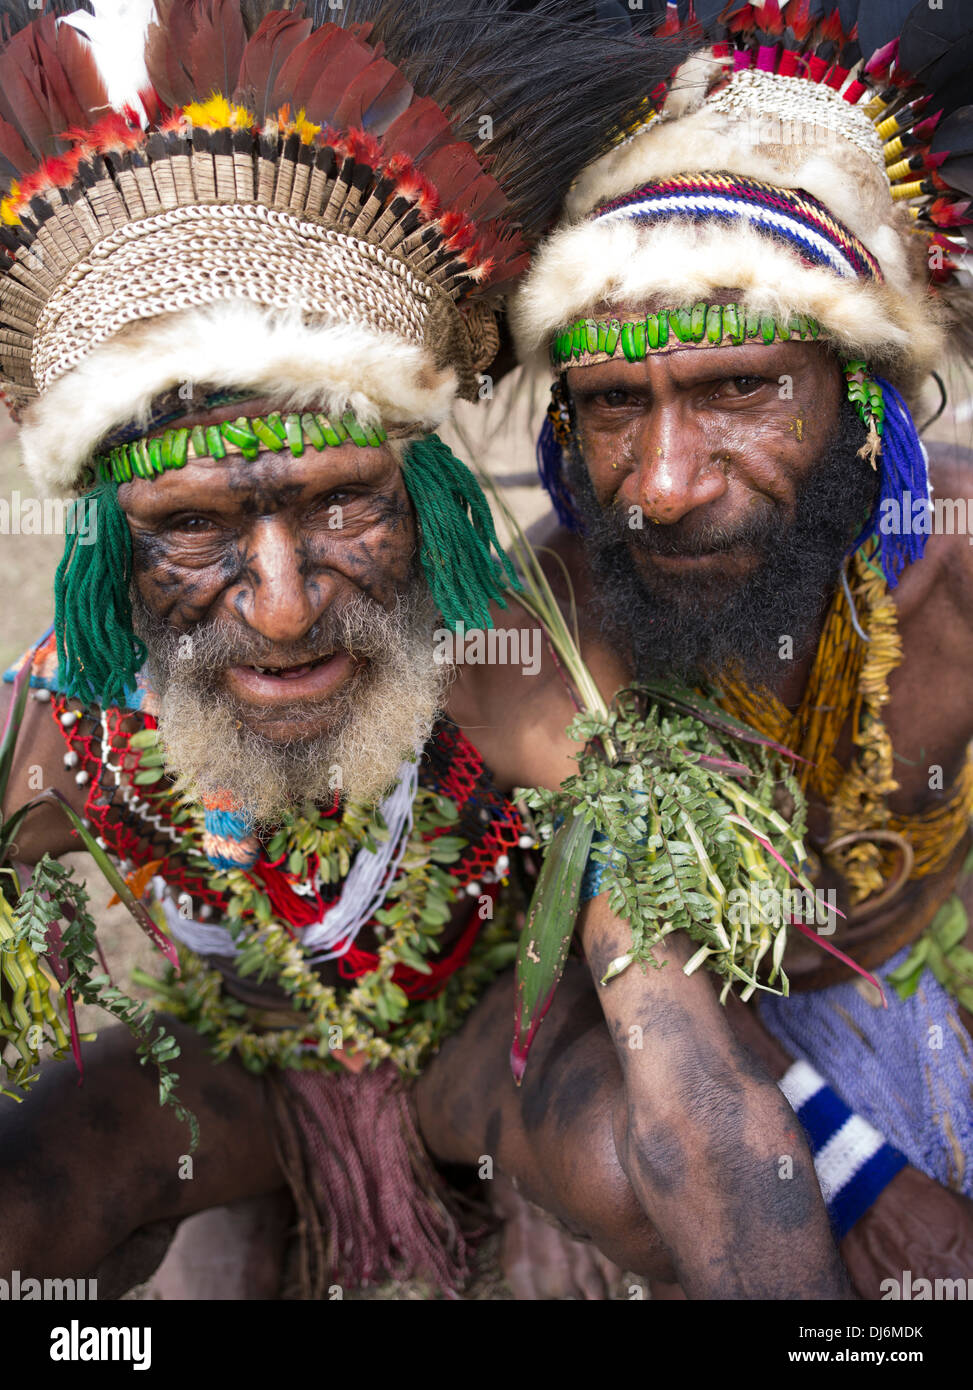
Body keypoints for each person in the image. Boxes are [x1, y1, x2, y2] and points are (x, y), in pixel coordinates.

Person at [0, 0, 859, 1302]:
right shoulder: (66, 731)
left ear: (436, 503)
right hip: (247, 1056)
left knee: (631, 1176)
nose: (283, 608)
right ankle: (258, 1200)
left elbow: (693, 1063)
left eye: (343, 500)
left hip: (482, 1043)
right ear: (102, 553)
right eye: (190, 526)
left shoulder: (519, 676)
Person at [509, 0, 973, 1297]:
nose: (658, 483)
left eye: (739, 388)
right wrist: (864, 1173)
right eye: (612, 404)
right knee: (623, 1170)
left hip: (903, 970)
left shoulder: (962, 561)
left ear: (861, 393)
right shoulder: (542, 633)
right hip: (649, 1027)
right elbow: (671, 1039)